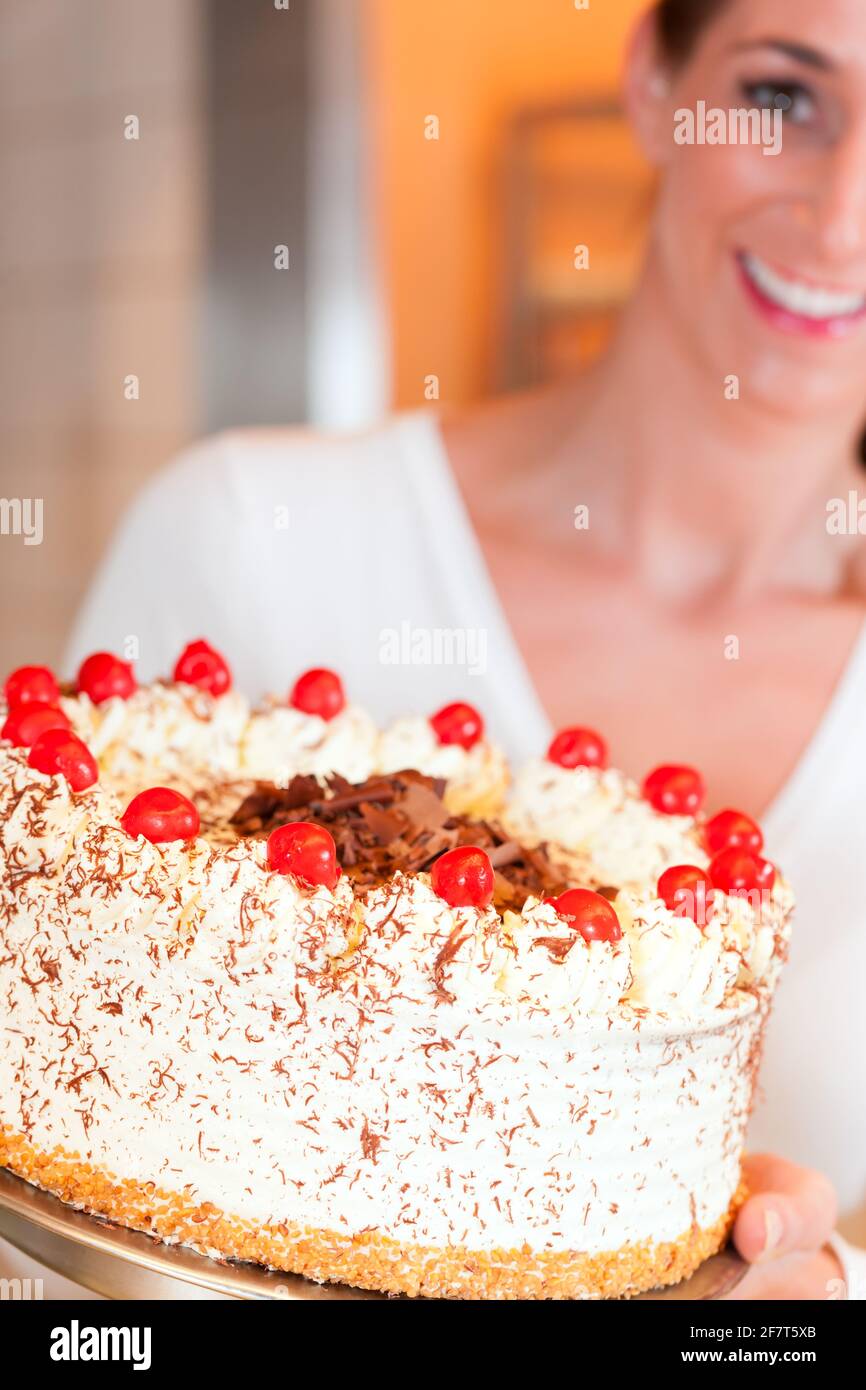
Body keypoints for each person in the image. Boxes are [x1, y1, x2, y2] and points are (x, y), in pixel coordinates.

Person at [57, 0, 866, 1298]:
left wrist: (813, 1302)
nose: (840, 216)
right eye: (781, 97)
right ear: (653, 85)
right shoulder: (246, 537)